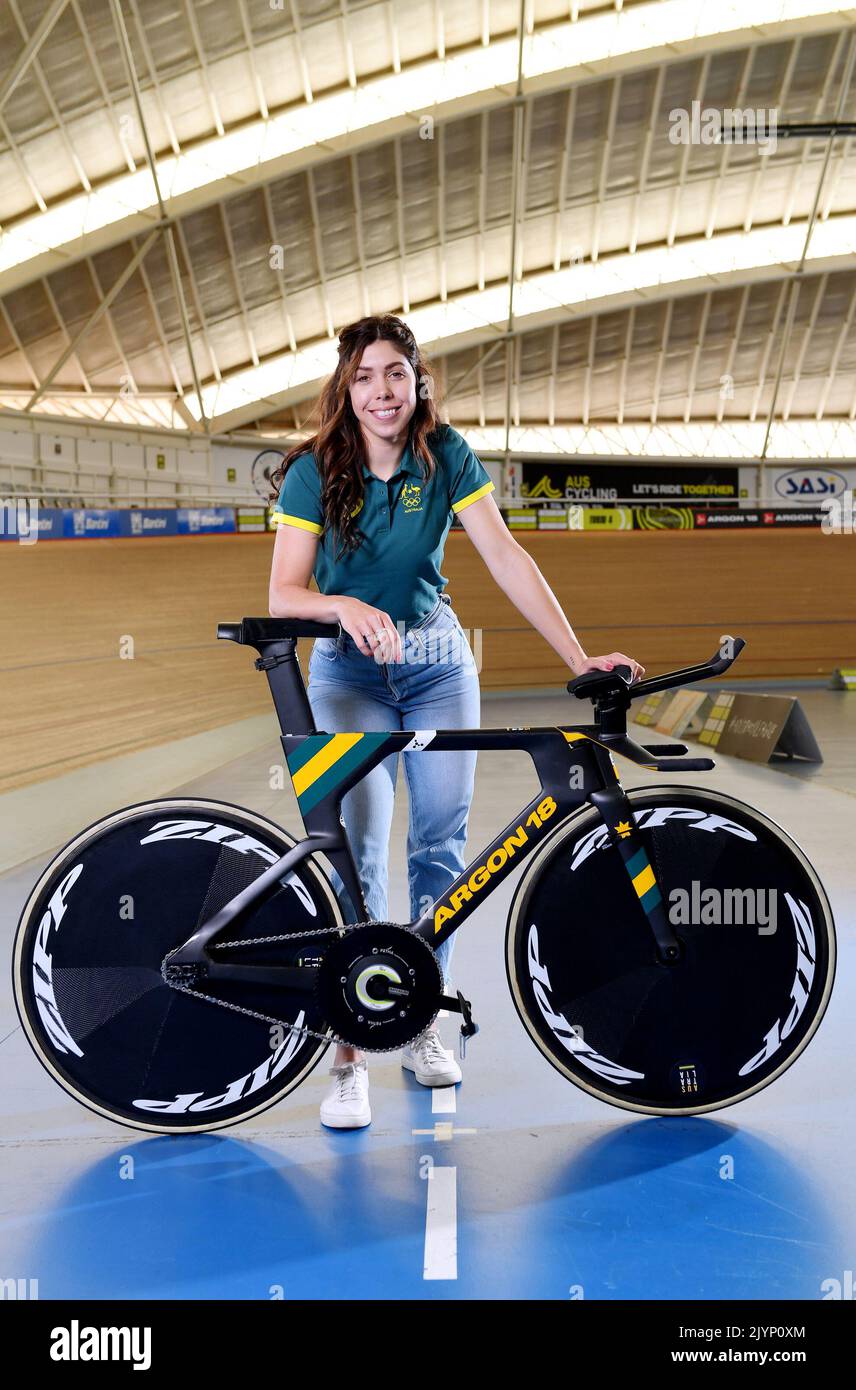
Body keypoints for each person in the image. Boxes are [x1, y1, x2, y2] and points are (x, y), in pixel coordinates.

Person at [268, 313, 644, 1129]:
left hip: (437, 662)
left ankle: (423, 1017)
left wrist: (576, 656)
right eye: (364, 377)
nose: (380, 391)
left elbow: (507, 555)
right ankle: (348, 1050)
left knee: (439, 845)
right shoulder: (313, 471)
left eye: (395, 374)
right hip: (346, 668)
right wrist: (342, 605)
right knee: (356, 855)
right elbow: (283, 596)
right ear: (346, 387)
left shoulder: (449, 456)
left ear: (417, 380)